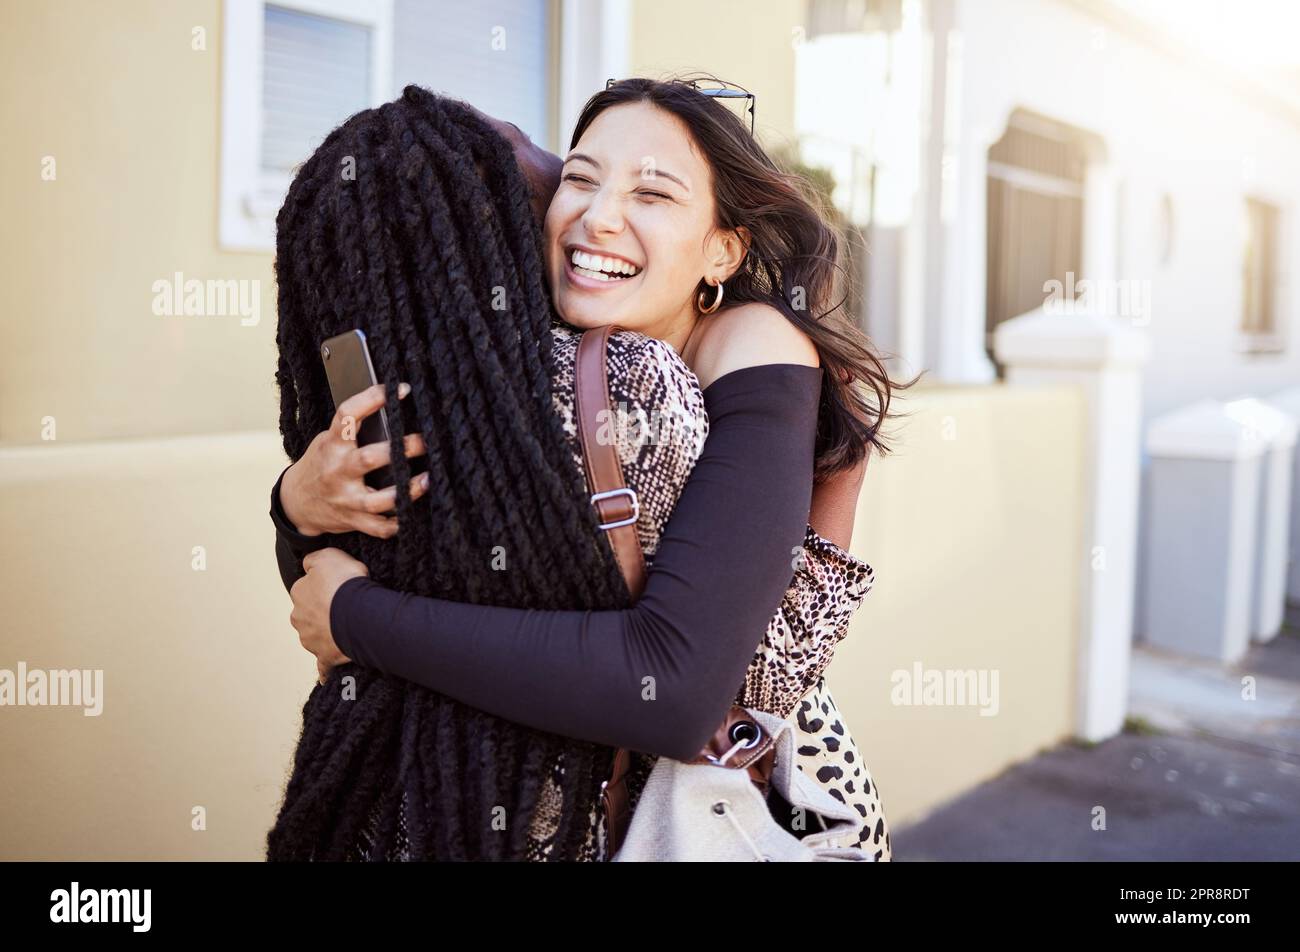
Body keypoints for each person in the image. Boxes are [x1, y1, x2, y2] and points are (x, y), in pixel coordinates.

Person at [273, 78, 918, 861]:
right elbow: (387, 570)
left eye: (654, 192)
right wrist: (298, 504)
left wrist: (360, 622)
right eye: (580, 177)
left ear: (724, 248)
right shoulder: (524, 355)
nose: (599, 215)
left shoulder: (752, 344)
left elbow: (675, 690)